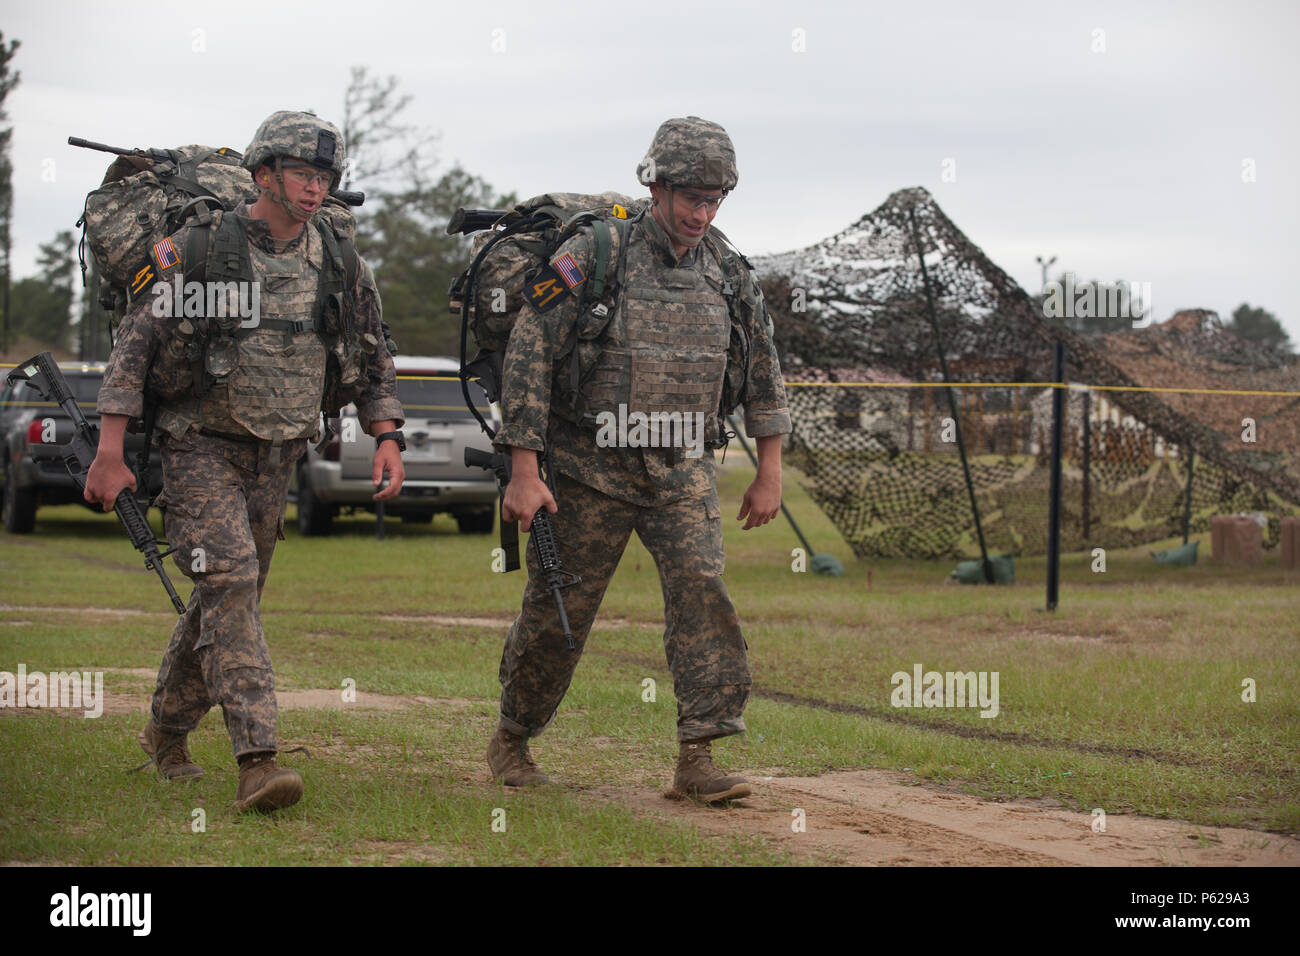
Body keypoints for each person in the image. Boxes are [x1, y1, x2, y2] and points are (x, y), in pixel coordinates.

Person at [84, 111, 405, 813]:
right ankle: (258, 759)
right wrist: (110, 453)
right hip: (200, 444)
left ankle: (164, 732)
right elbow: (134, 349)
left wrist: (385, 435)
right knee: (230, 582)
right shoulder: (198, 249)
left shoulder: (341, 260)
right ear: (264, 175)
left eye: (325, 177)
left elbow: (372, 353)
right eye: (301, 174)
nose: (315, 188)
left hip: (279, 452)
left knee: (224, 600)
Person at [488, 116, 791, 802]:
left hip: (681, 468)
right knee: (560, 610)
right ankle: (513, 735)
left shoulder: (728, 269)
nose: (701, 212)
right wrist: (525, 470)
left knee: (703, 594)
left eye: (714, 199)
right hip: (588, 470)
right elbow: (531, 350)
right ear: (655, 184)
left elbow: (764, 371)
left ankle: (699, 758)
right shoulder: (596, 252)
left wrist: (769, 471)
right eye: (690, 196)